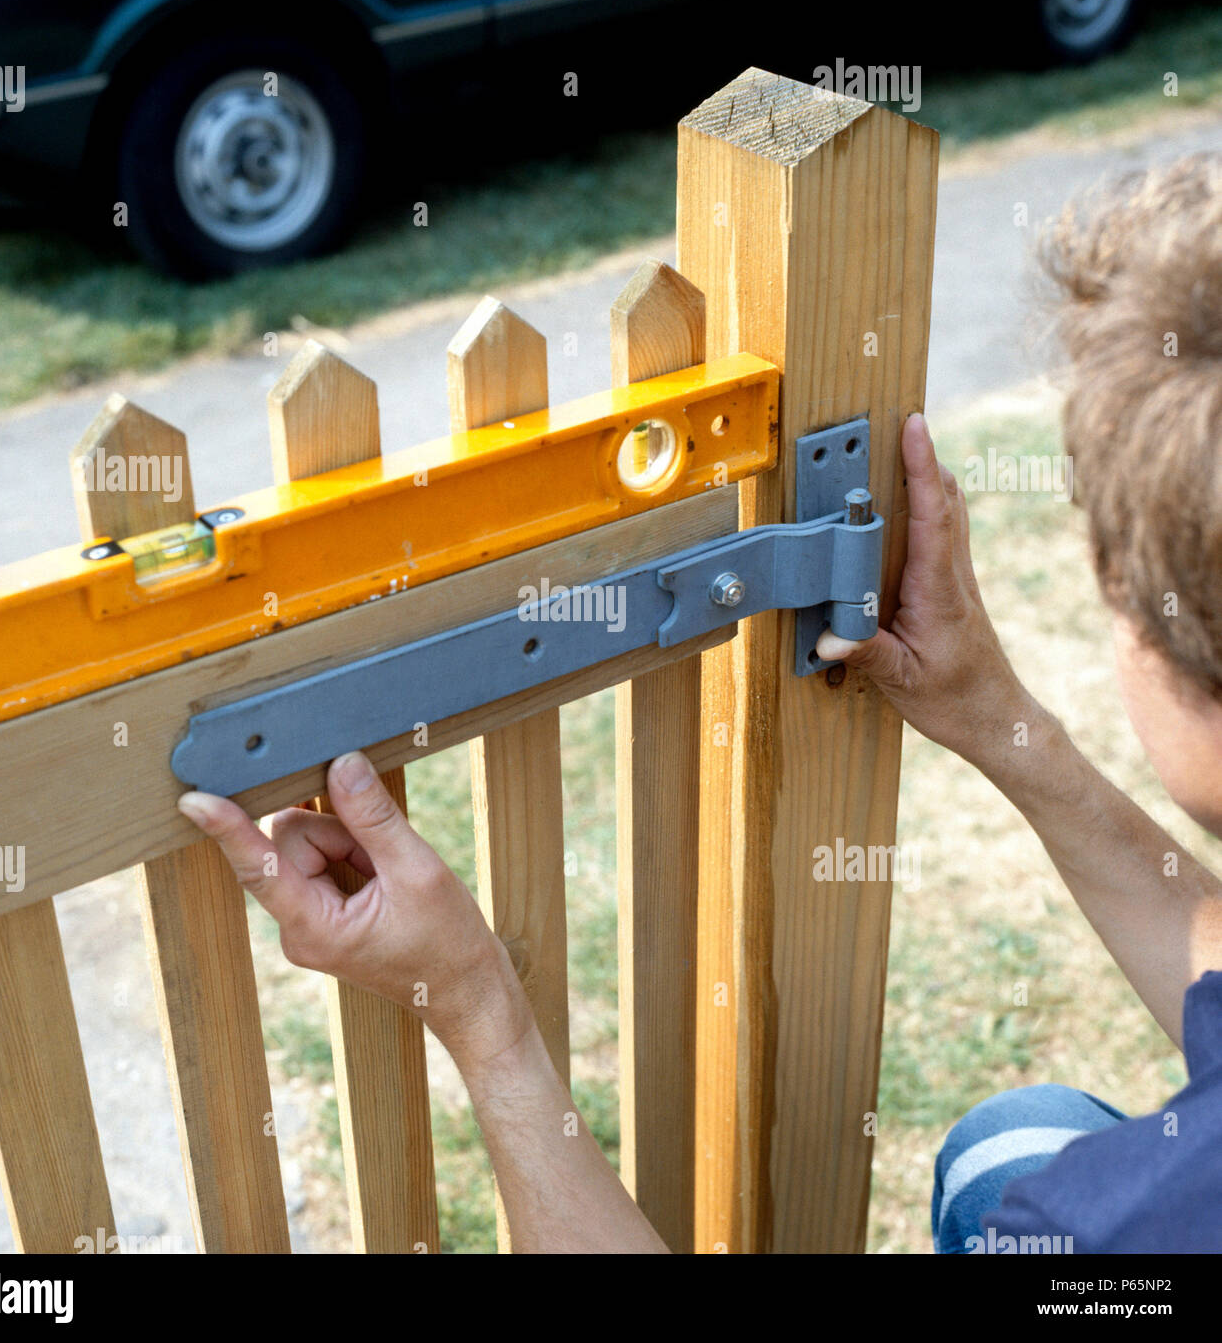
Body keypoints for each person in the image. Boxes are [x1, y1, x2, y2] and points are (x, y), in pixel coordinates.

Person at [178, 156, 1222, 1254]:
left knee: (1011, 1174)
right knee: (1012, 1139)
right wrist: (991, 710)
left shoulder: (1113, 1237)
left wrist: (479, 1008)